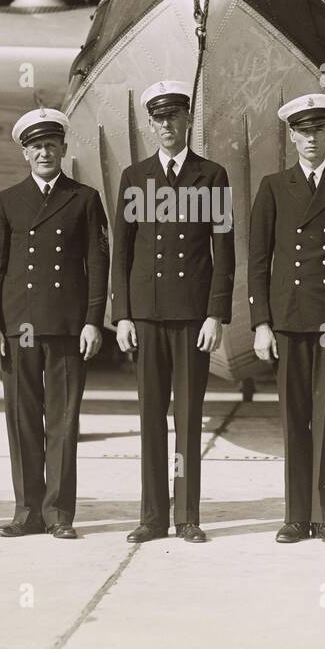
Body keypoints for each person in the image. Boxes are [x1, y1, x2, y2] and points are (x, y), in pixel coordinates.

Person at [248, 92, 325, 544]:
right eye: (302, 131)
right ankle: (294, 516)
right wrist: (261, 322)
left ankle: (324, 516)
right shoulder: (273, 187)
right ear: (291, 136)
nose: (310, 138)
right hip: (289, 319)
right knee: (294, 418)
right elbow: (259, 260)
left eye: (318, 130)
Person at [113, 80, 235, 544]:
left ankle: (187, 515)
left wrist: (215, 314)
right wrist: (122, 314)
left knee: (187, 415)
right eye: (158, 118)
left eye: (174, 117)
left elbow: (224, 251)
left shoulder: (212, 175)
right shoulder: (134, 178)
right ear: (150, 124)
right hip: (145, 316)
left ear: (187, 120)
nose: (166, 125)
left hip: (191, 317)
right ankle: (151, 517)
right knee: (150, 417)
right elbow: (121, 252)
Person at [0, 108, 108, 540]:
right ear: (25, 154)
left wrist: (94, 321)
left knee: (63, 421)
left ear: (63, 150)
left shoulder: (84, 199)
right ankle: (27, 511)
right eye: (36, 146)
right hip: (20, 326)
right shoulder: (7, 201)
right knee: (22, 422)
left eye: (51, 145)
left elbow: (97, 263)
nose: (44, 152)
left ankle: (59, 513)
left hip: (66, 325)